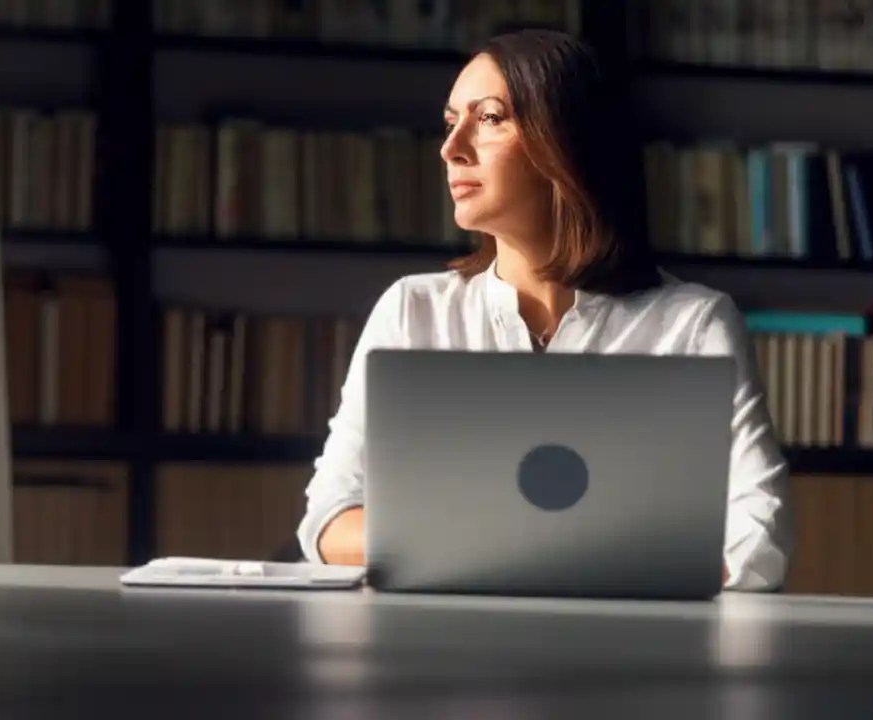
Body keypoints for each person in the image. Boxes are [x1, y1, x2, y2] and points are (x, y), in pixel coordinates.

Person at [294, 28, 793, 592]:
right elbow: (330, 520)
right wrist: (532, 545)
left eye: (488, 119)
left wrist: (493, 546)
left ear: (565, 141)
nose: (451, 147)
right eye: (450, 120)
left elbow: (759, 538)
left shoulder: (692, 323)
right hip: (442, 650)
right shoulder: (413, 310)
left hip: (633, 653)